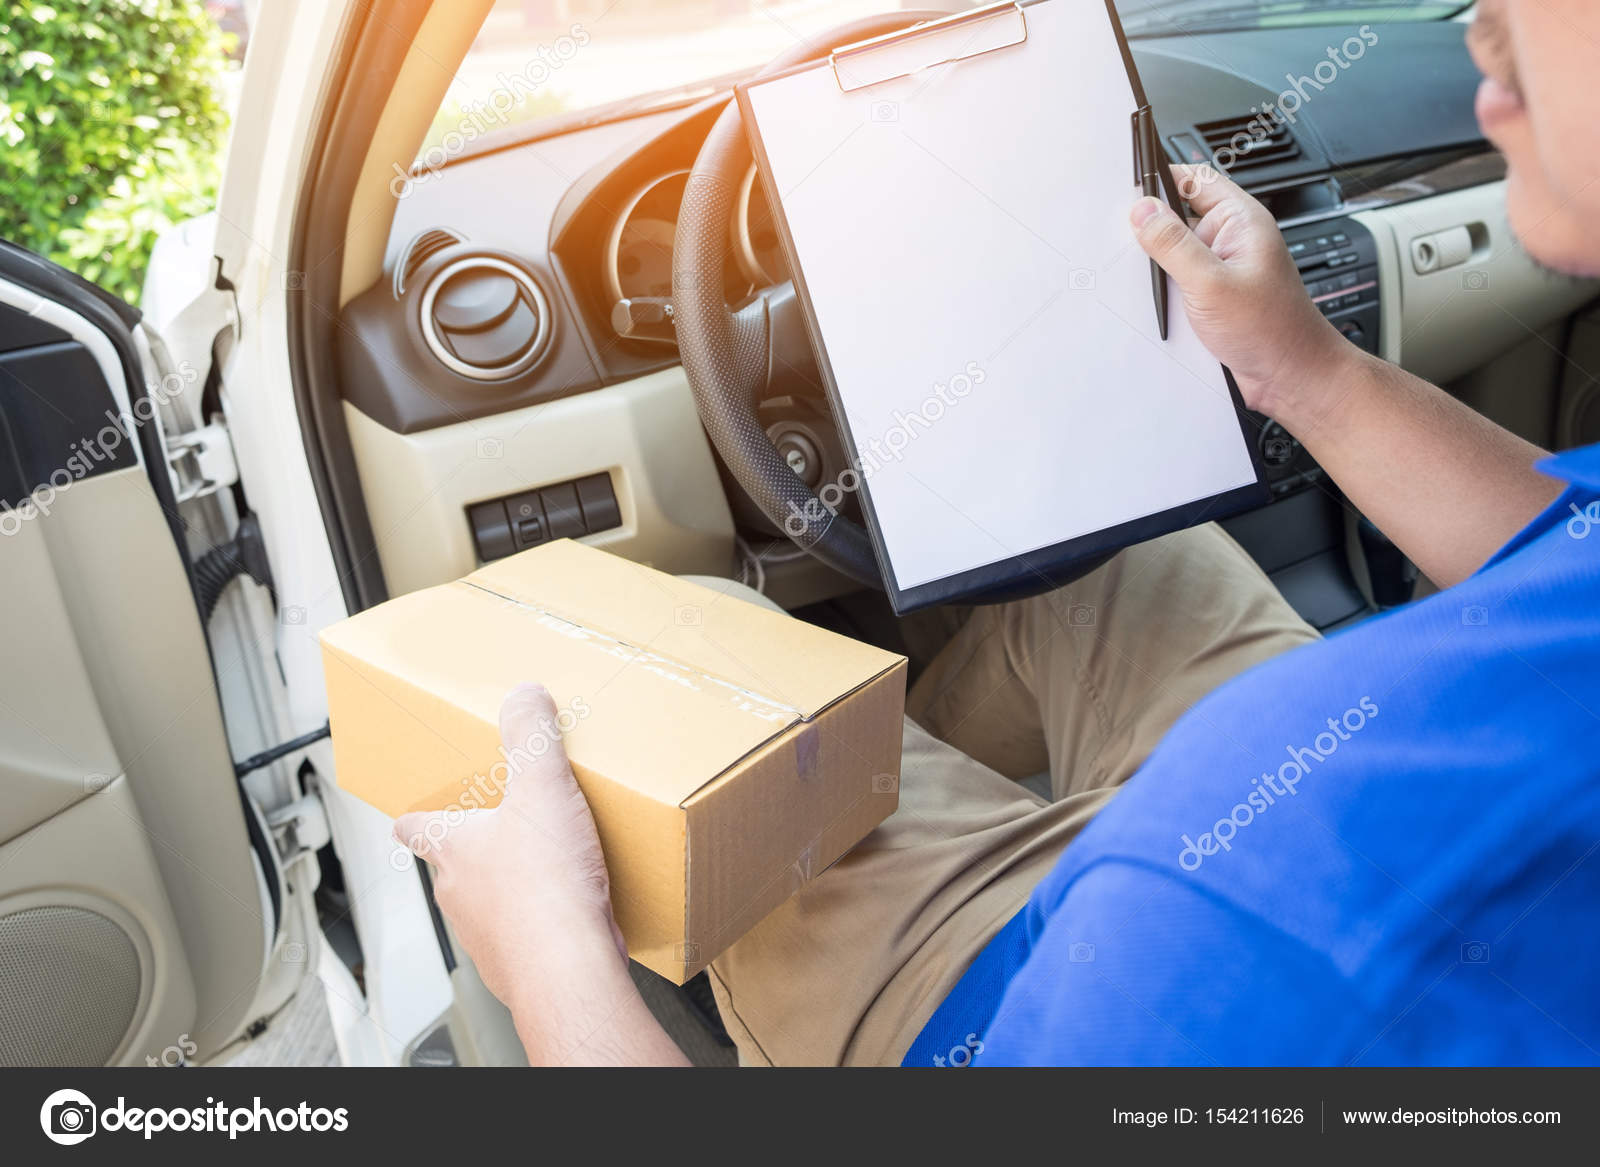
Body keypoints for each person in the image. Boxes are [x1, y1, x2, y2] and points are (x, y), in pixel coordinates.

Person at [394, 0, 1600, 1066]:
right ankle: (892, 756)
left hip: (1003, 1001)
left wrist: (550, 962)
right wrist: (1304, 371)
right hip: (1246, 830)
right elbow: (1571, 540)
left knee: (707, 640)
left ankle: (858, 772)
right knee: (1106, 551)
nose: (1486, 22)